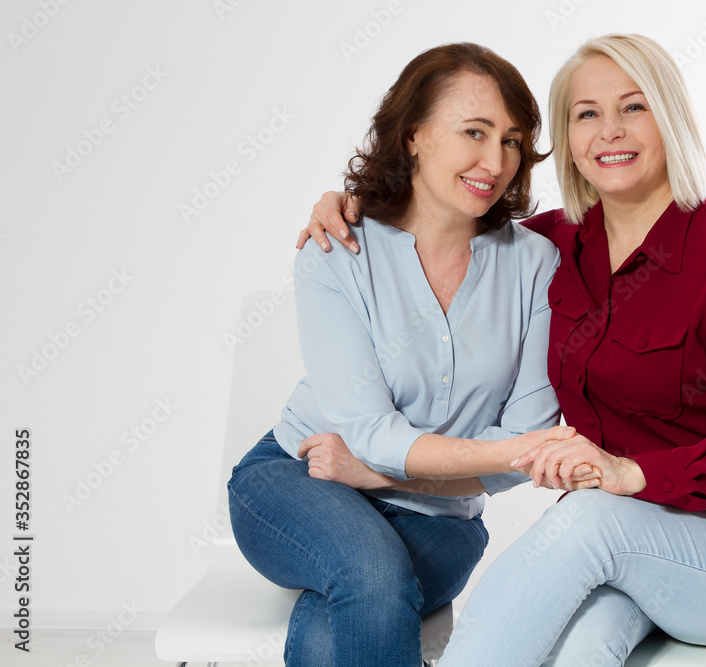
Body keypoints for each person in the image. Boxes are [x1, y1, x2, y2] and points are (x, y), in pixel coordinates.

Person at [303, 34, 706, 666]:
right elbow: (443, 220)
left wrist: (630, 474)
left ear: (670, 117)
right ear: (567, 136)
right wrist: (357, 206)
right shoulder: (553, 247)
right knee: (572, 648)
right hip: (628, 551)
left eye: (633, 107)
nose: (610, 131)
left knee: (591, 515)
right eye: (586, 114)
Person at [228, 42, 599, 667]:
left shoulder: (536, 266)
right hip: (299, 473)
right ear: (413, 136)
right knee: (369, 572)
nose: (495, 160)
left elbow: (526, 436)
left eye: (511, 140)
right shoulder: (336, 250)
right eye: (473, 133)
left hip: (439, 518)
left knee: (337, 625)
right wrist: (516, 452)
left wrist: (382, 473)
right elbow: (387, 433)